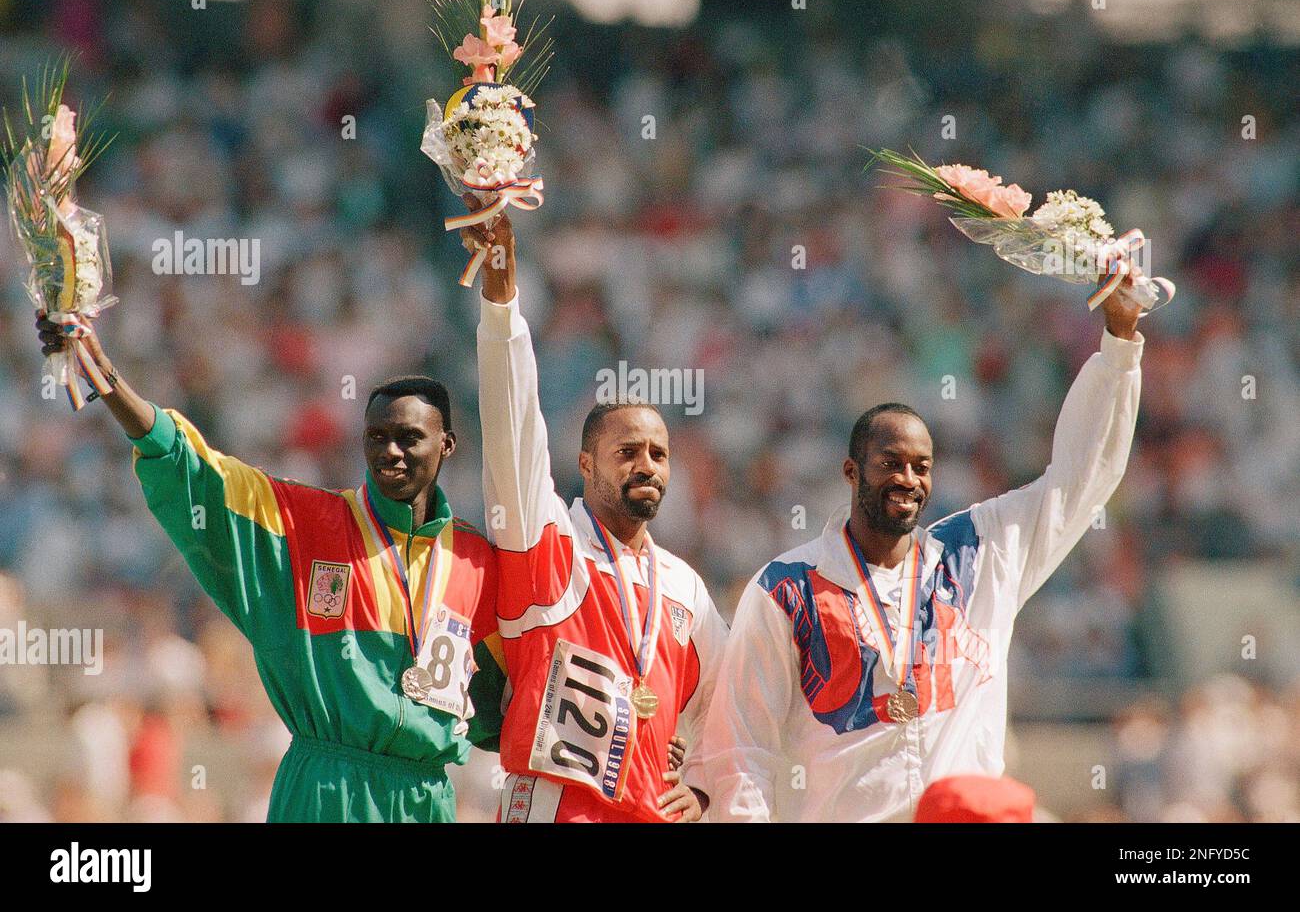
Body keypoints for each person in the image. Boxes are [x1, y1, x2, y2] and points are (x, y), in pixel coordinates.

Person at [695, 269, 1148, 822]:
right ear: (850, 471)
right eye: (890, 463)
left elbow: (1079, 481)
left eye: (921, 466)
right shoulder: (786, 587)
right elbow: (742, 745)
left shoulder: (979, 555)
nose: (908, 478)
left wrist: (1119, 343)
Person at [34, 312, 506, 822]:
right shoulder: (306, 524)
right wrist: (108, 381)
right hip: (324, 794)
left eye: (409, 437)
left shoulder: (477, 560)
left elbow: (500, 715)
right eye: (375, 436)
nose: (389, 452)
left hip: (427, 800)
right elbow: (198, 469)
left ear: (448, 445)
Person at [463, 205, 728, 823]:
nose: (647, 466)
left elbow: (737, 703)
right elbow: (512, 430)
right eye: (627, 452)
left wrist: (706, 785)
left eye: (659, 454)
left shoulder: (685, 586)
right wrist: (502, 304)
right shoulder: (547, 543)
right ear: (585, 465)